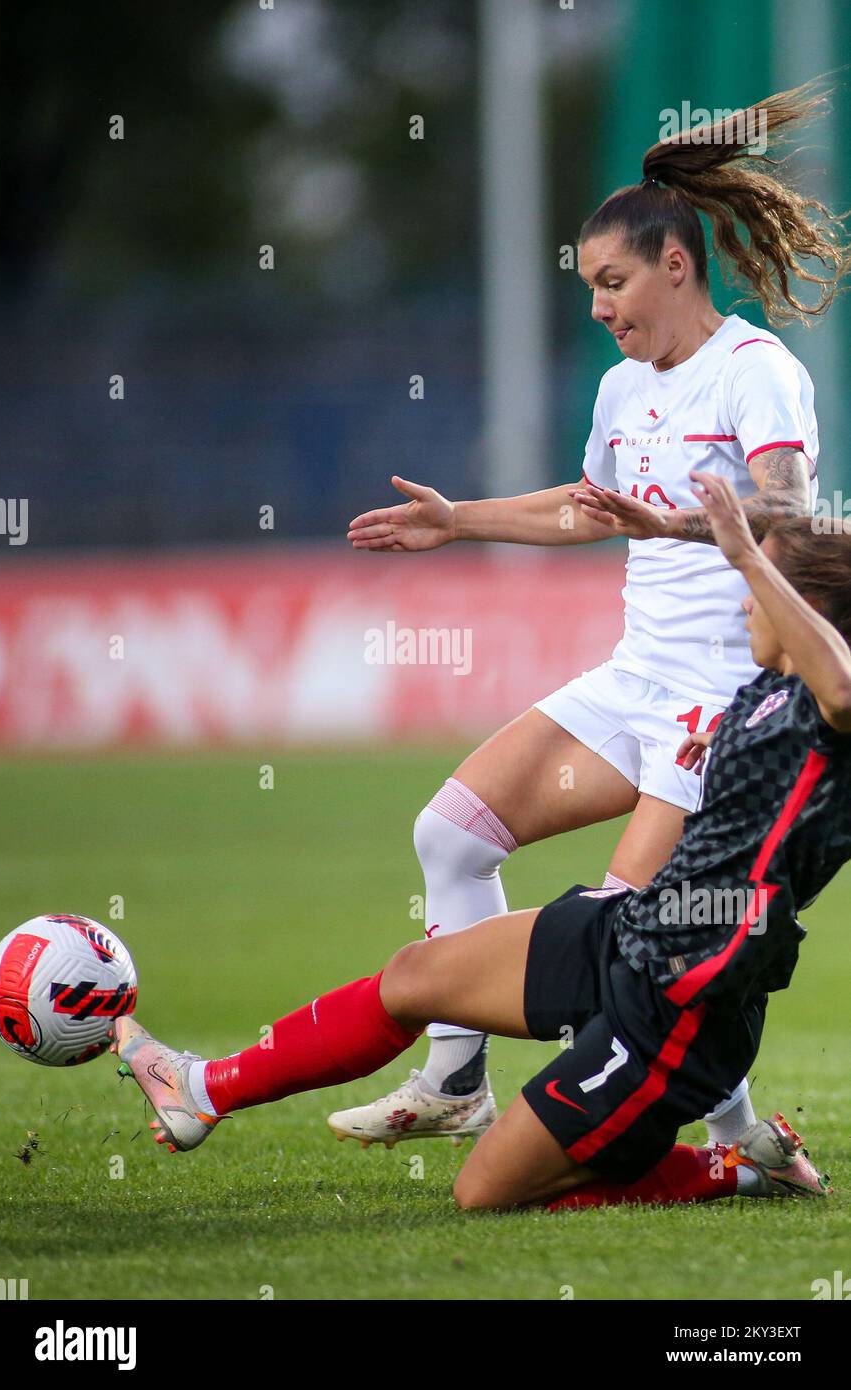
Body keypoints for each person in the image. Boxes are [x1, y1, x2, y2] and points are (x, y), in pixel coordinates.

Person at [333, 79, 849, 1151]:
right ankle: (454, 1084)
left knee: (623, 938)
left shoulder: (756, 374)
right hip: (635, 678)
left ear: (674, 265)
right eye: (586, 289)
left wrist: (662, 523)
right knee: (451, 833)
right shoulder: (624, 390)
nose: (598, 307)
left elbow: (785, 527)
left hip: (722, 694)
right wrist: (458, 519)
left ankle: (738, 1135)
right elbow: (588, 507)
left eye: (611, 282)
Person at [112, 474, 851, 1209]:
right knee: (413, 977)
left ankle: (745, 1166)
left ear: (808, 609)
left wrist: (750, 557)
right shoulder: (767, 686)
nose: (743, 598)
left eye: (757, 584)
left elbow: (841, 694)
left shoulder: (835, 704)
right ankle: (204, 1090)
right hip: (634, 931)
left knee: (485, 1192)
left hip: (687, 999)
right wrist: (711, 739)